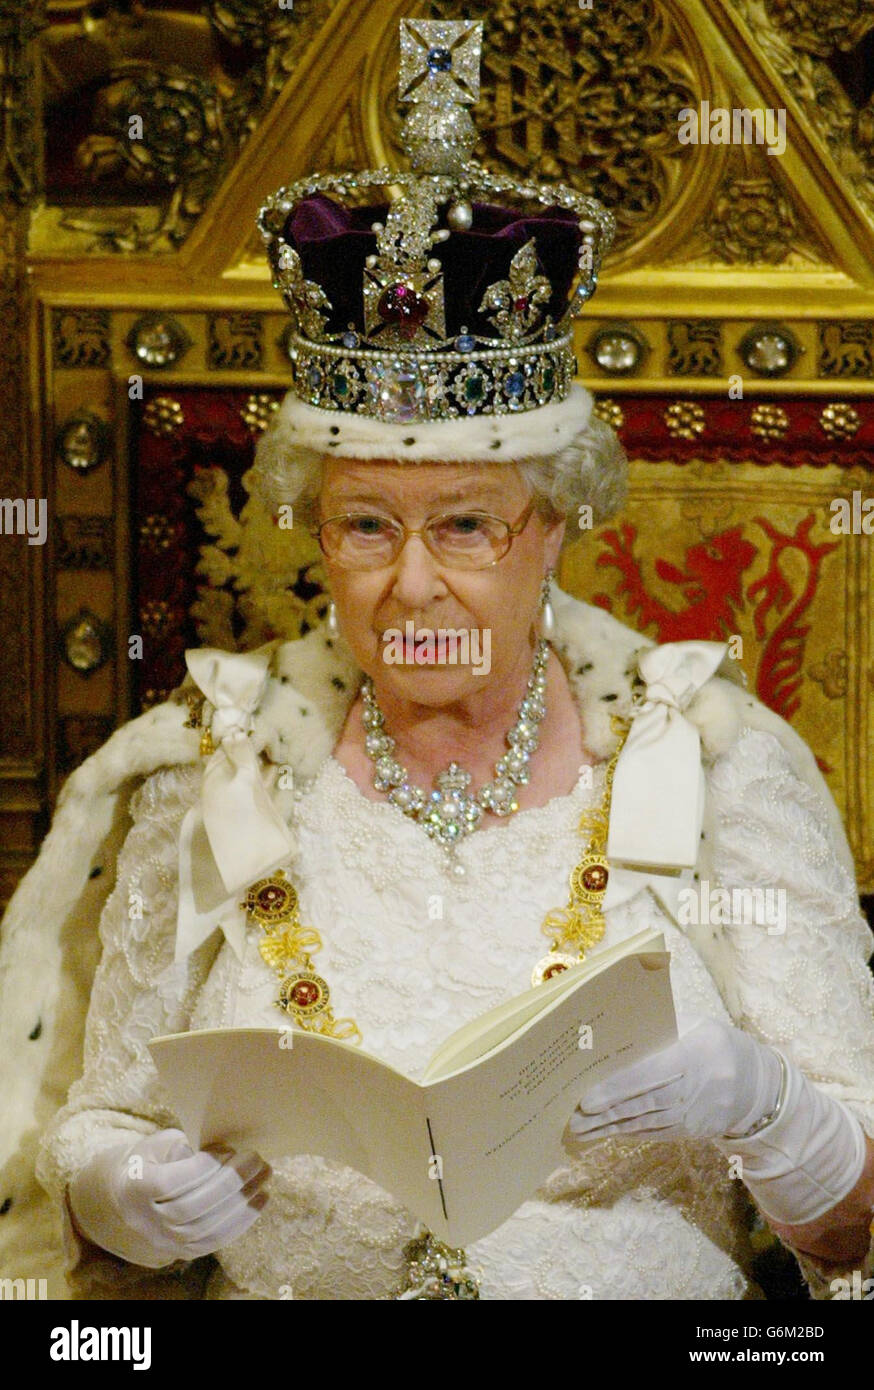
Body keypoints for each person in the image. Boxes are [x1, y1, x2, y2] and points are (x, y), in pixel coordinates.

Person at [2, 18, 874, 1301]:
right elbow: (96, 1129)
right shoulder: (213, 774)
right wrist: (125, 1197)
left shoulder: (721, 769)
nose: (414, 581)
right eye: (368, 525)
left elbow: (856, 1227)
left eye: (466, 522)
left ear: (555, 524)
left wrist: (763, 1107)